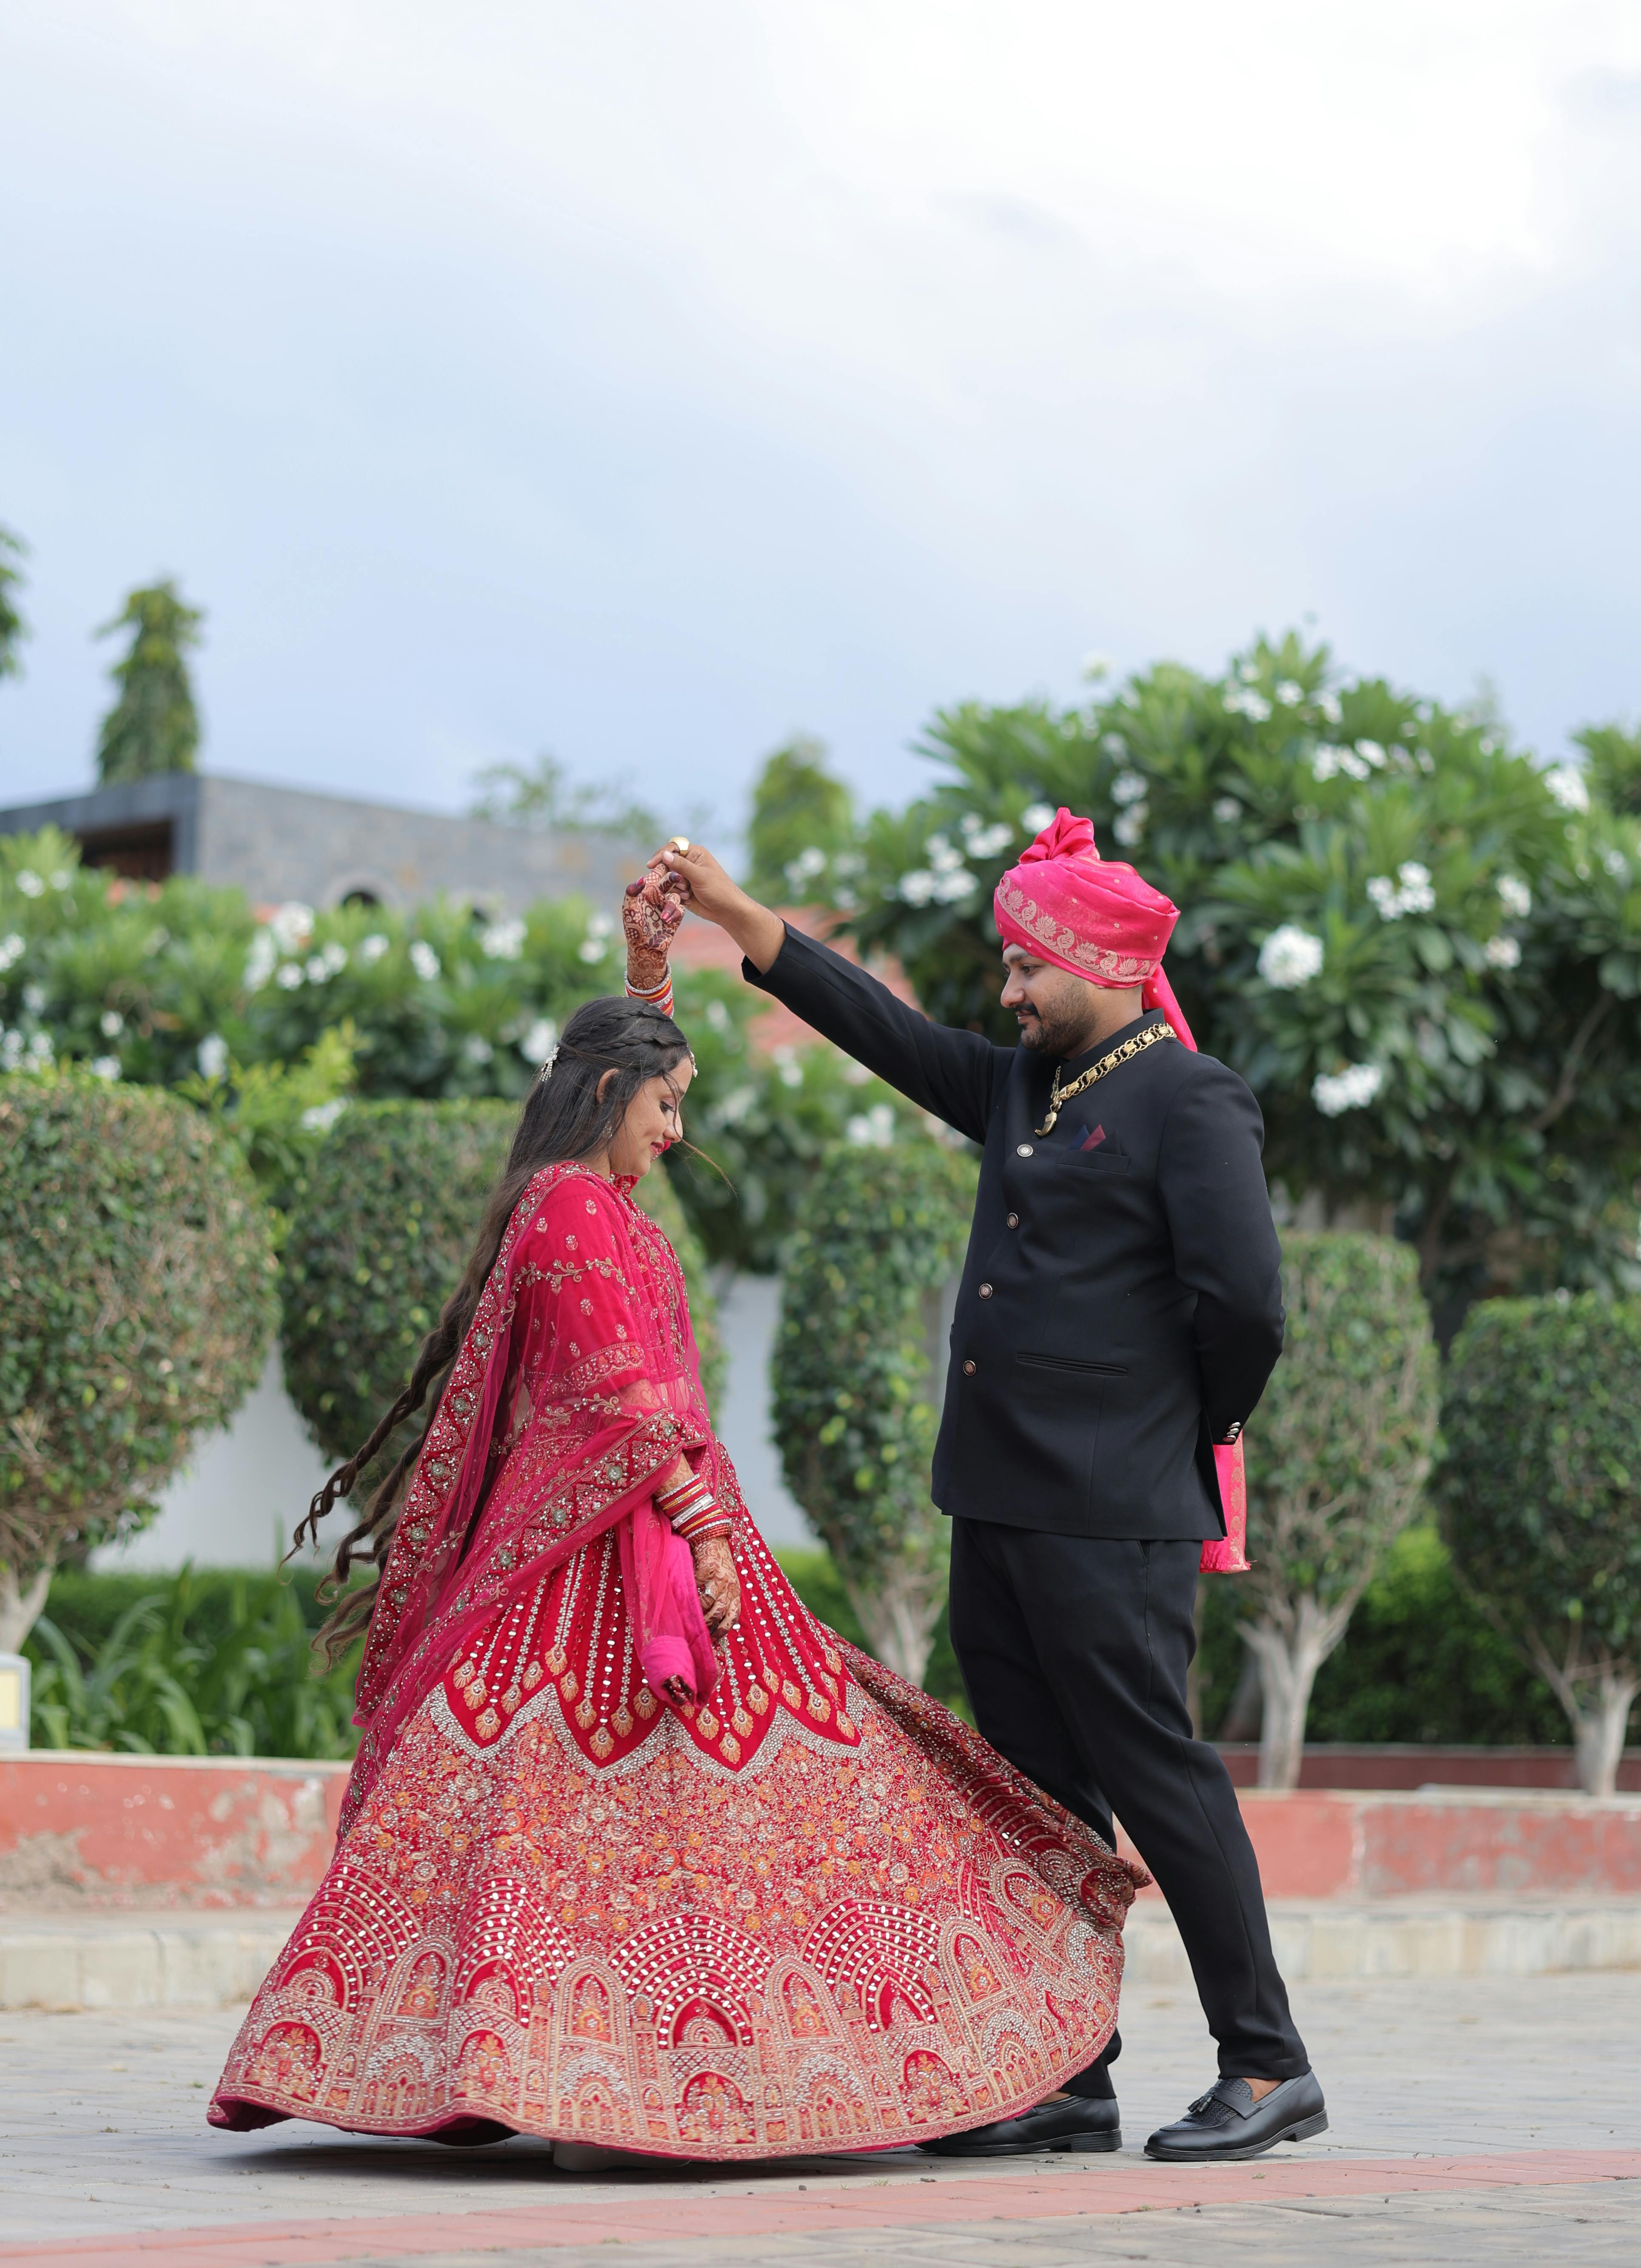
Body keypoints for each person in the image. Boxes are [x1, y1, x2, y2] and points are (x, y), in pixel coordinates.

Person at [207, 876, 1142, 2165]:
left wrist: (651, 966)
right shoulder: (567, 1208)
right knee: (611, 1825)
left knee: (696, 1831)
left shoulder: (598, 1202)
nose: (675, 1128)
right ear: (610, 1096)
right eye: (665, 1104)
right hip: (602, 1559)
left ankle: (638, 2081)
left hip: (643, 1540)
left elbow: (631, 1105)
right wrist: (705, 1534)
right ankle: (572, 2080)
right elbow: (617, 1390)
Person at [646, 812, 1327, 2163]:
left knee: (1158, 1778)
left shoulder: (1191, 1098)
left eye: (1027, 967)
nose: (1007, 991)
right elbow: (881, 1029)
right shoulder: (1029, 1086)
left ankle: (1268, 2062)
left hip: (1116, 1510)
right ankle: (1066, 2075)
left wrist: (1181, 1428)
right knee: (1034, 1793)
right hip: (998, 1499)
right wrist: (734, 912)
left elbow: (1245, 1306)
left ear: (1103, 965)